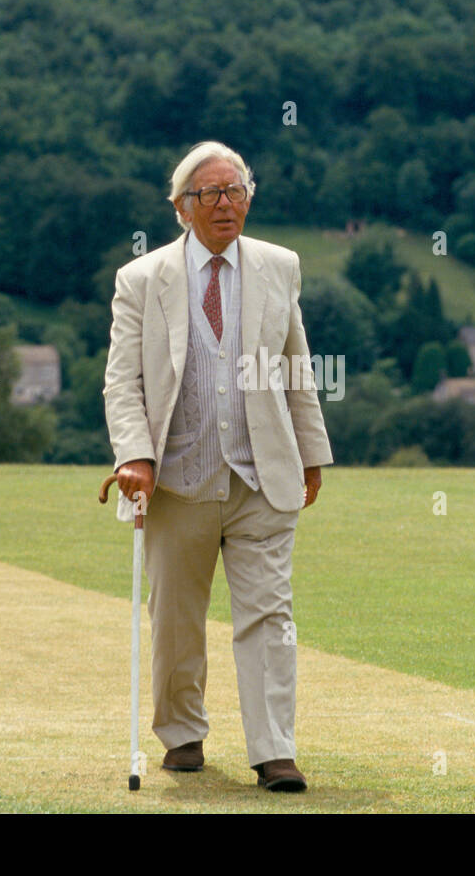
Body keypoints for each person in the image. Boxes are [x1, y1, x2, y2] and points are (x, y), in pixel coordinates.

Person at [102, 141, 333, 792]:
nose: (225, 202)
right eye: (209, 193)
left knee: (269, 612)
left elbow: (296, 369)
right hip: (176, 479)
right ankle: (182, 733)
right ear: (181, 207)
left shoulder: (279, 266)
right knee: (175, 615)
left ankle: (274, 750)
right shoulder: (142, 279)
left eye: (234, 190)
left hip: (262, 476)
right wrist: (135, 456)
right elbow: (122, 383)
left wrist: (312, 452)